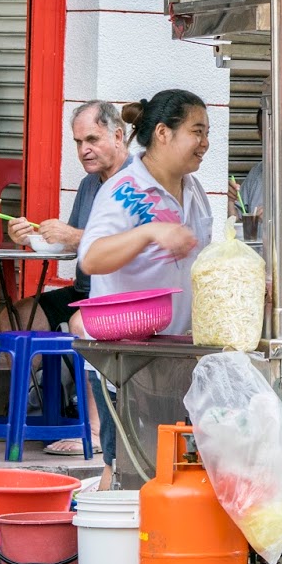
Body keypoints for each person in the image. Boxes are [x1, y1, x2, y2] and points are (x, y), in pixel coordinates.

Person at [78, 91, 213, 490]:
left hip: (175, 357)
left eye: (207, 133)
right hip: (127, 360)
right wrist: (150, 231)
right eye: (197, 131)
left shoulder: (195, 190)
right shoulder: (124, 189)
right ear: (162, 133)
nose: (205, 143)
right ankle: (103, 549)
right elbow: (92, 257)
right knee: (123, 465)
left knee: (172, 470)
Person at [5, 100, 130, 457]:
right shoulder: (89, 184)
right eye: (77, 142)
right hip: (84, 287)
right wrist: (30, 237)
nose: (83, 150)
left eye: (91, 139)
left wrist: (73, 235)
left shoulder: (136, 182)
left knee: (81, 324)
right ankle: (40, 407)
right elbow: (72, 246)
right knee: (17, 316)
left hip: (122, 293)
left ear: (118, 135)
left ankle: (93, 431)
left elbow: (126, 244)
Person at [229, 108, 282, 218]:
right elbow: (238, 227)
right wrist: (230, 201)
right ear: (260, 136)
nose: (276, 139)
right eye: (268, 133)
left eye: (281, 131)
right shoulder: (256, 173)